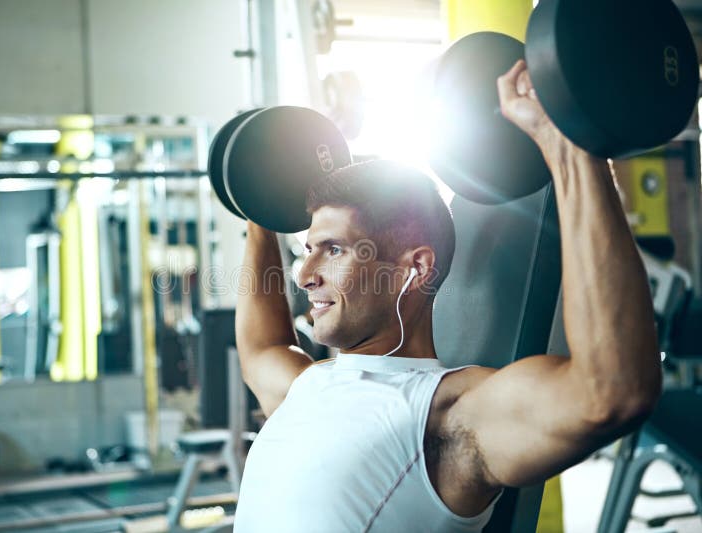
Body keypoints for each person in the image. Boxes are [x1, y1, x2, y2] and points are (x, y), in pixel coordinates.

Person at [232, 60, 662, 532]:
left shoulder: (447, 417)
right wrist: (262, 206)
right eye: (308, 249)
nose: (305, 275)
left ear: (414, 269)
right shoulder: (307, 387)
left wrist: (573, 150)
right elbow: (261, 349)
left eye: (333, 250)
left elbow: (612, 392)